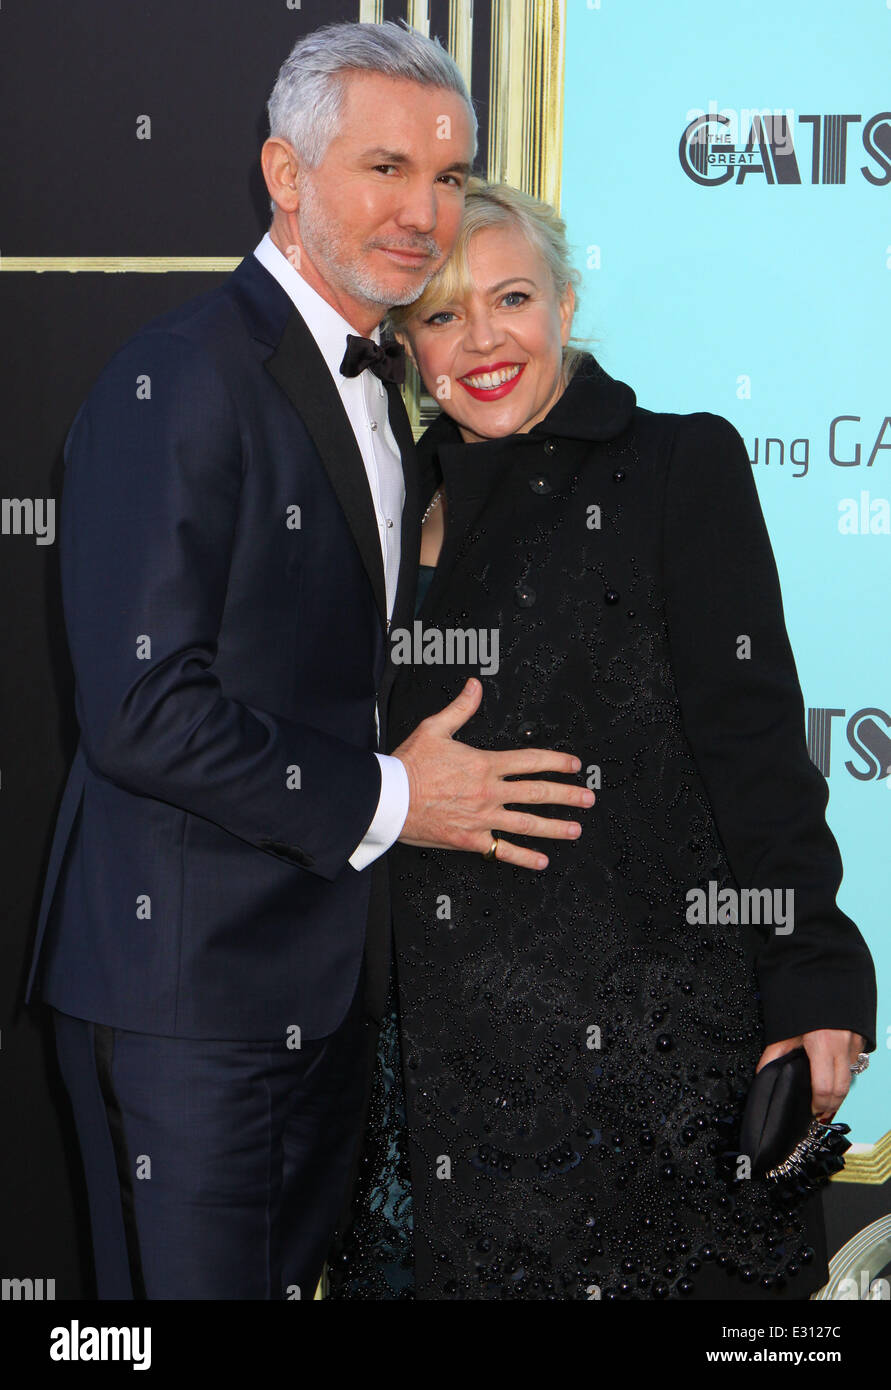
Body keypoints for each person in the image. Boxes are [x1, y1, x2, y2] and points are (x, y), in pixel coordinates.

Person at [24, 32, 593, 1301]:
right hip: (186, 995)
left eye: (450, 177)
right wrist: (401, 800)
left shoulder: (387, 386)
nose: (424, 211)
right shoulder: (178, 377)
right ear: (285, 173)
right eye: (385, 166)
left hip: (320, 991)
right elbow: (141, 711)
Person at [325, 180, 877, 1301]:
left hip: (641, 1066)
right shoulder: (372, 509)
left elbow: (757, 745)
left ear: (566, 304)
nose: (482, 338)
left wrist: (814, 974)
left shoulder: (678, 468)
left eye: (513, 297)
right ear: (406, 344)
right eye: (441, 313)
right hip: (421, 1079)